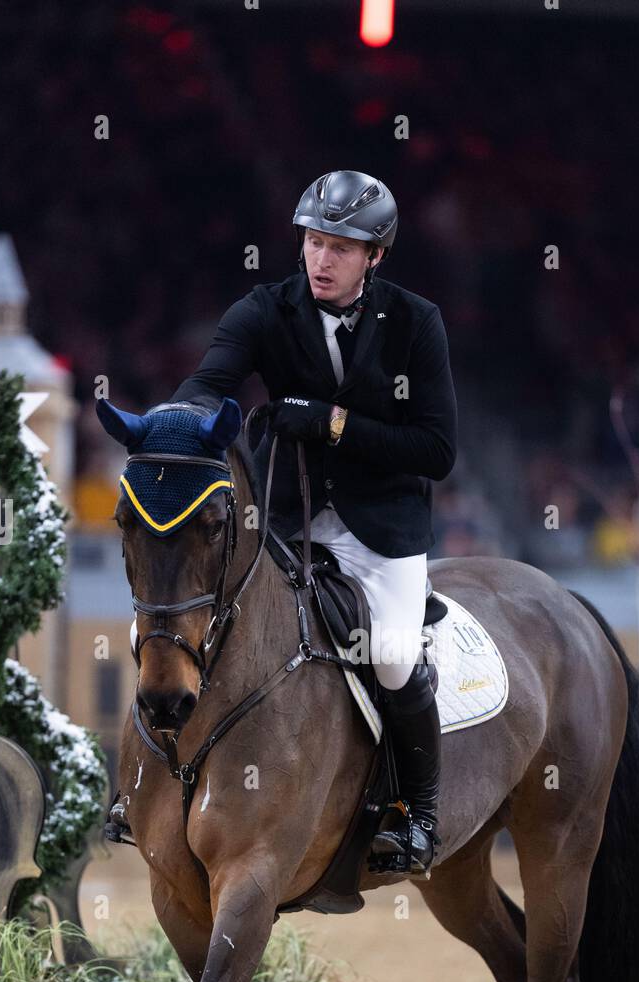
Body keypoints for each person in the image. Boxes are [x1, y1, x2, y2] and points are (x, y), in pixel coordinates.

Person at [169, 170, 458, 874]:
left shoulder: (416, 322)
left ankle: (417, 814)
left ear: (376, 256)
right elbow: (208, 382)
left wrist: (335, 424)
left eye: (341, 248)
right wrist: (176, 426)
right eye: (313, 241)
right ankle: (151, 790)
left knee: (390, 653)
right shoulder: (265, 310)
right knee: (200, 620)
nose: (321, 260)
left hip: (379, 531)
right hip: (281, 518)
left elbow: (437, 449)